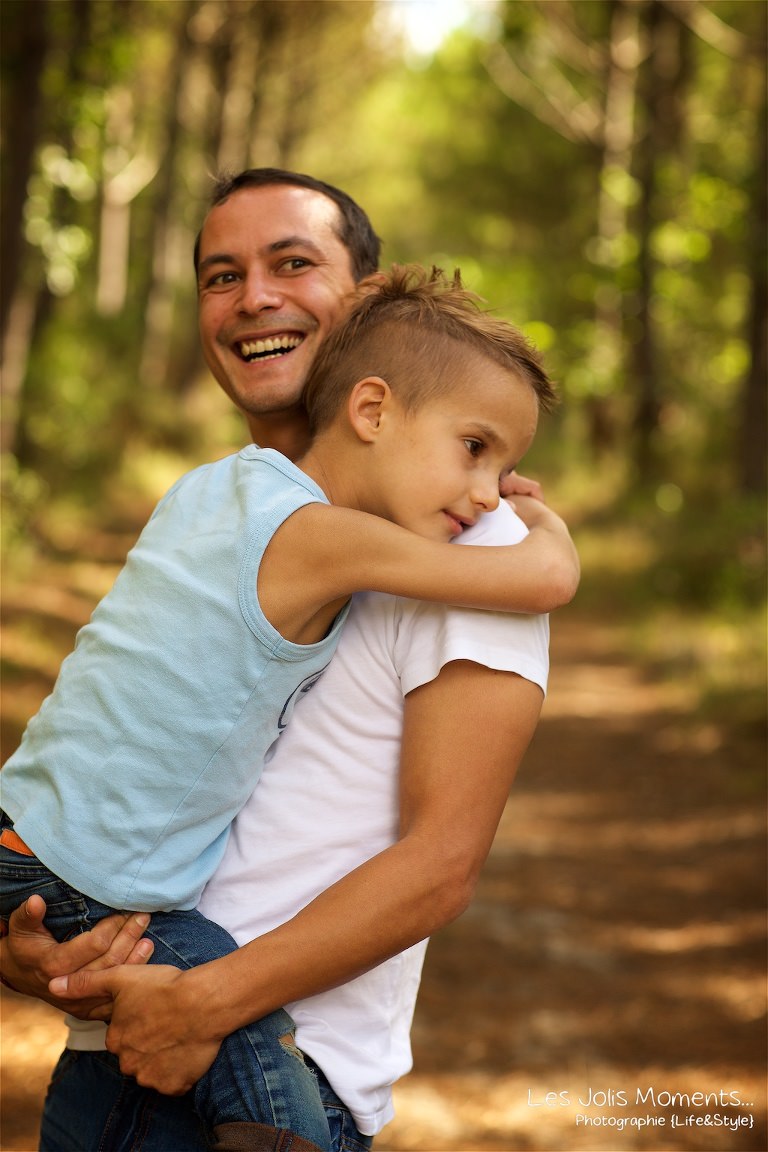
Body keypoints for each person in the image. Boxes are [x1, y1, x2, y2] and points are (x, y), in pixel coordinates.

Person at [1, 170, 578, 1151]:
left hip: (264, 1055)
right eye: (221, 276)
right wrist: (39, 950)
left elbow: (440, 864)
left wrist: (199, 1003)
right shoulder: (217, 508)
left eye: (294, 263)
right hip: (114, 1052)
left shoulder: (465, 540)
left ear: (366, 297)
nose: (255, 297)